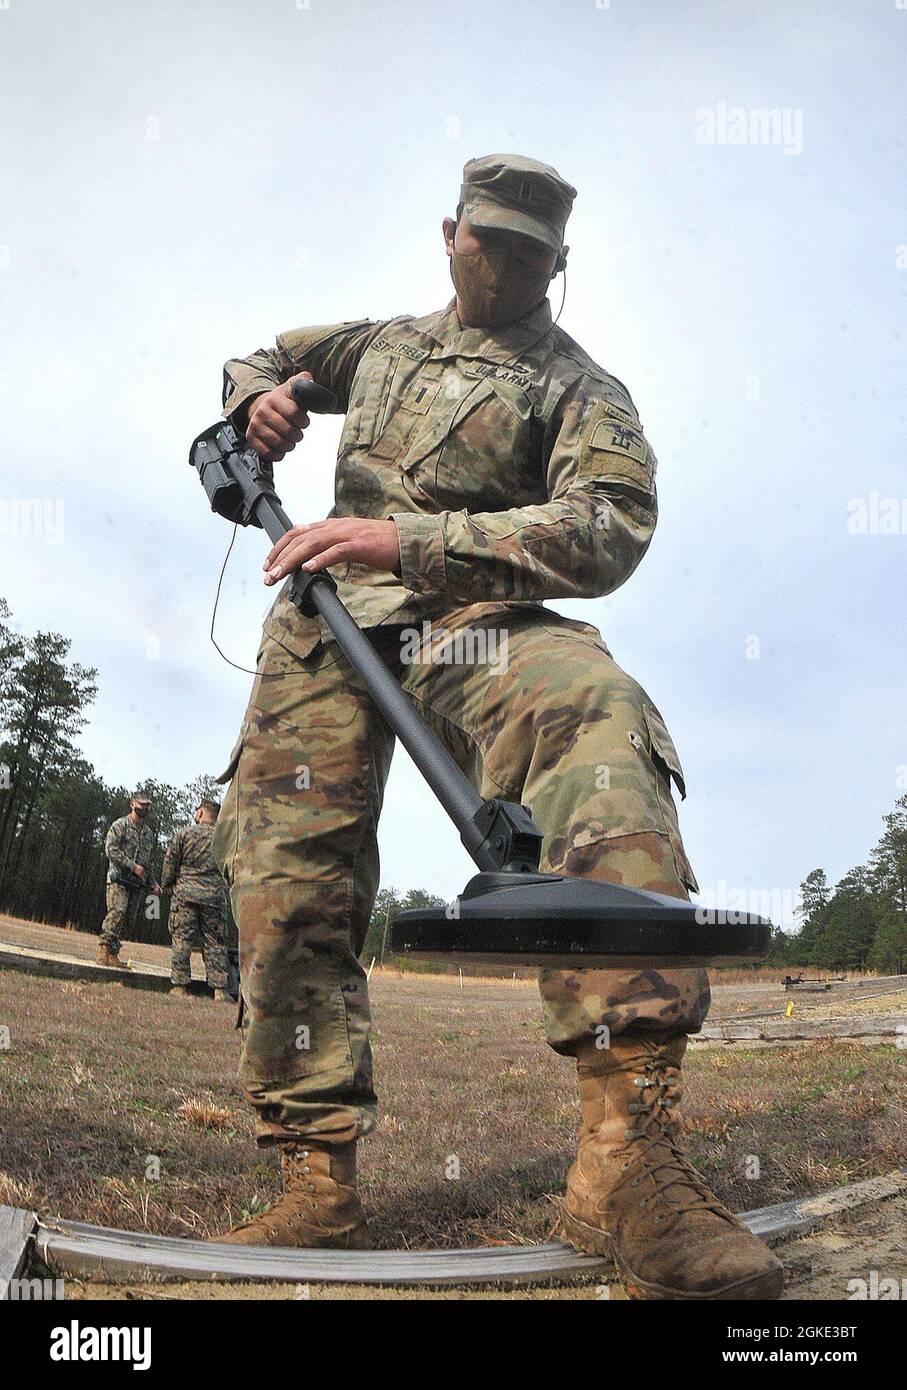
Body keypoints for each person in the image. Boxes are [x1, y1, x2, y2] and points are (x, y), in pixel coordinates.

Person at [209, 154, 782, 1299]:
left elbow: (608, 526)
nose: (505, 260)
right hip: (323, 625)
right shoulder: (375, 344)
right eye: (488, 237)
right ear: (448, 232)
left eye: (531, 249)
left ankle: (626, 1170)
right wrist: (257, 402)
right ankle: (314, 1178)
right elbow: (262, 357)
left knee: (601, 726)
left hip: (467, 619)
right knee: (288, 873)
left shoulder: (580, 387)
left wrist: (407, 543)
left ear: (558, 265)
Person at [161, 800, 232, 1001]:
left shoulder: (184, 834)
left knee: (182, 940)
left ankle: (180, 986)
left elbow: (169, 865)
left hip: (185, 895)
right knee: (215, 942)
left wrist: (168, 887)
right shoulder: (224, 840)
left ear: (200, 814)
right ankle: (220, 990)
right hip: (214, 898)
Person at [98, 789, 160, 966]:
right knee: (117, 913)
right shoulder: (120, 825)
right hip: (119, 878)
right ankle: (103, 951)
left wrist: (153, 884)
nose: (144, 808)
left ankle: (112, 954)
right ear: (132, 804)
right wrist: (133, 866)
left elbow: (148, 862)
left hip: (137, 884)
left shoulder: (148, 834)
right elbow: (111, 850)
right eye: (141, 805)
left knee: (127, 920)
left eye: (147, 806)